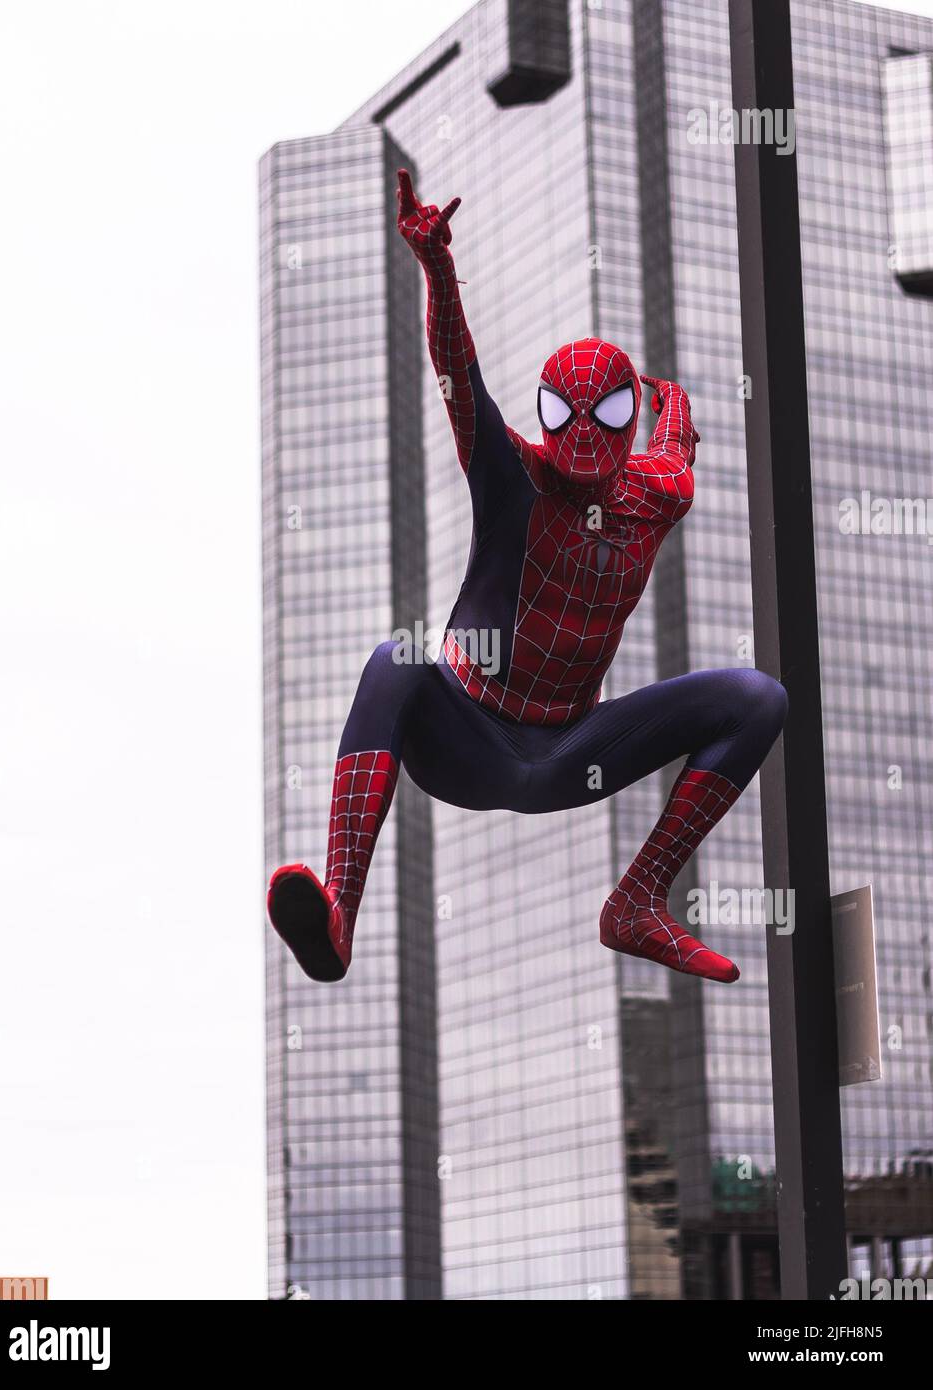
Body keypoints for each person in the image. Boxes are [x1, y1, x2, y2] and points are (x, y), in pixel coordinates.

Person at [267, 171, 787, 985]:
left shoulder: (658, 495)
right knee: (395, 658)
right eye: (562, 414)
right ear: (543, 414)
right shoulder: (515, 476)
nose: (581, 433)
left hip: (570, 748)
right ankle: (338, 910)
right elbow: (458, 374)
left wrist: (673, 409)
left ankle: (638, 902)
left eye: (607, 415)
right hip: (466, 738)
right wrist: (437, 270)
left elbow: (677, 450)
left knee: (759, 697)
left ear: (628, 426)